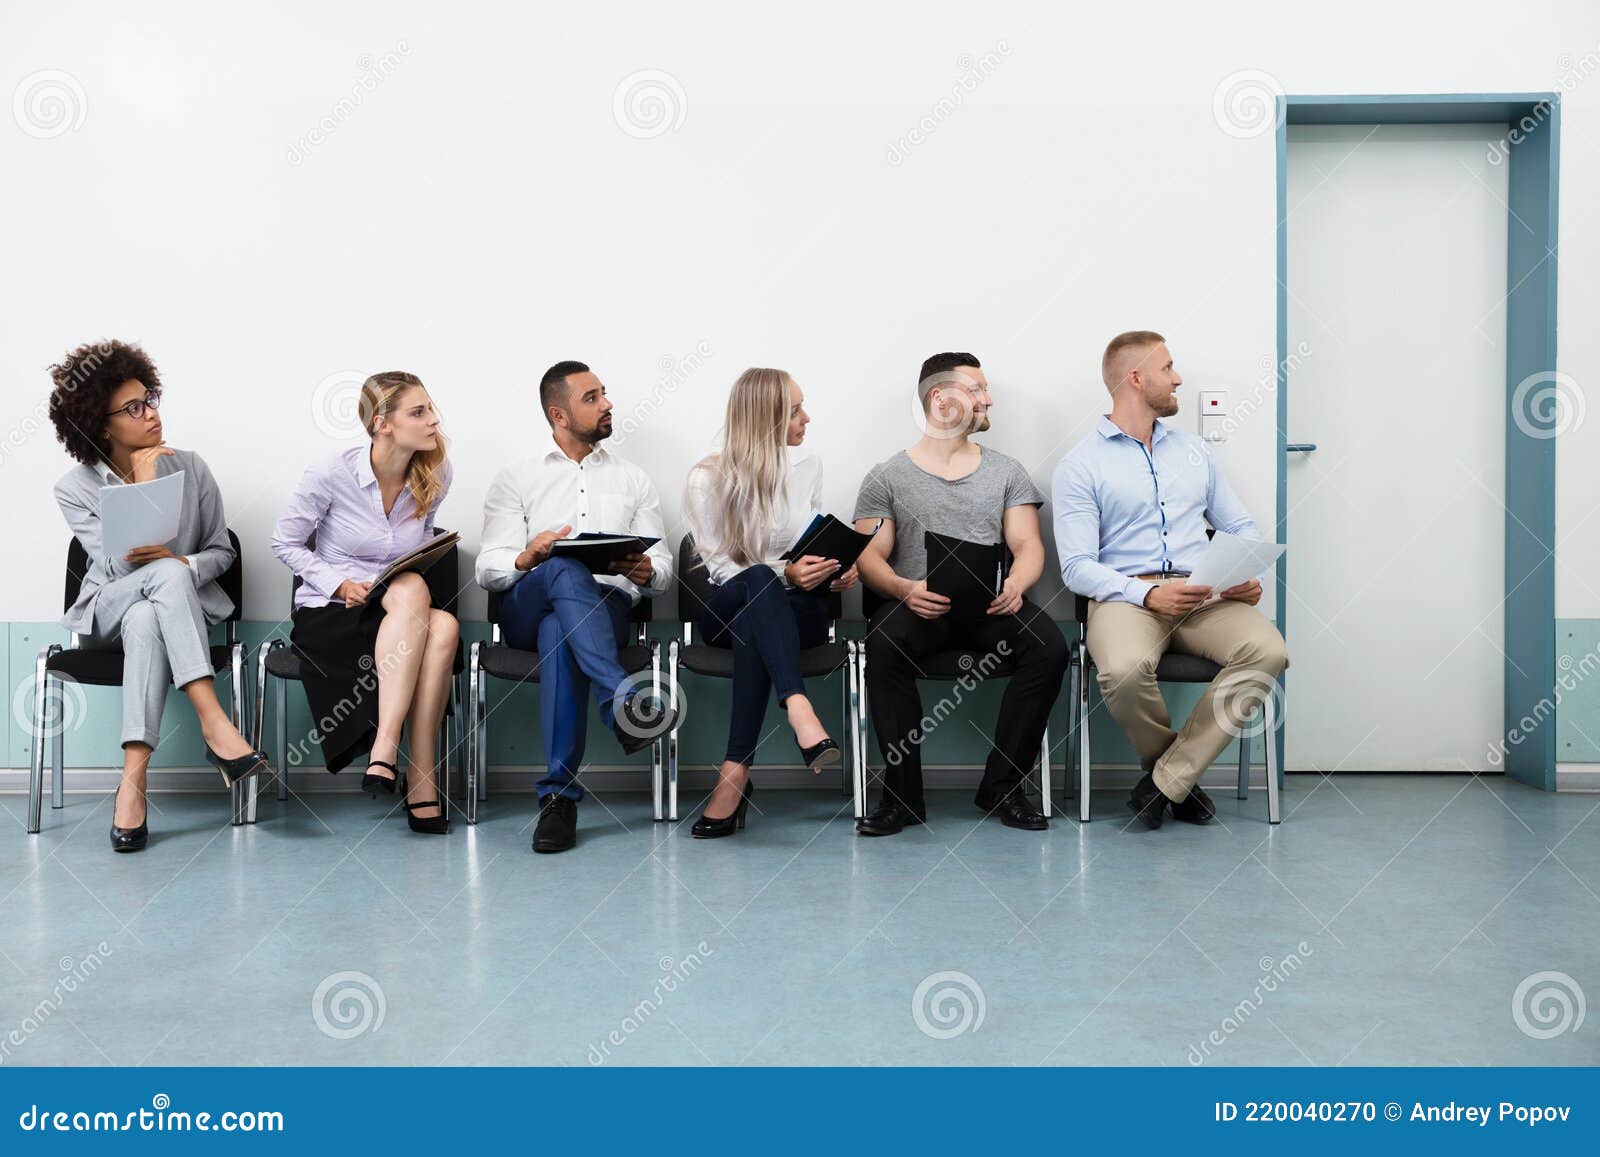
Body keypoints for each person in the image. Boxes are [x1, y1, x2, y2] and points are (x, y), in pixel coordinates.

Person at [1053, 330, 1289, 828]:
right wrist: (1148, 593)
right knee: (1121, 669)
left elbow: (1240, 527)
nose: (1178, 378)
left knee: (1267, 651)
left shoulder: (1195, 452)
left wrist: (1243, 573)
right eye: (1167, 369)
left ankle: (1165, 782)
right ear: (1135, 379)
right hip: (1127, 598)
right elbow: (1076, 566)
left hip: (1206, 593)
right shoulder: (1080, 465)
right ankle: (1177, 780)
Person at [47, 340, 270, 853]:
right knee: (158, 583)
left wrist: (182, 564)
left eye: (150, 398)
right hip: (108, 607)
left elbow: (220, 551)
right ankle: (216, 725)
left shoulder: (191, 466)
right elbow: (115, 565)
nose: (150, 413)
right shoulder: (74, 488)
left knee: (155, 606)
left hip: (164, 611)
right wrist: (144, 485)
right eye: (133, 408)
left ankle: (132, 787)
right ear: (101, 425)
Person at [853, 352, 1068, 836]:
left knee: (1049, 648)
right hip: (918, 609)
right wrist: (904, 589)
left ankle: (1003, 786)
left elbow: (1027, 544)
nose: (988, 399)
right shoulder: (887, 476)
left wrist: (1017, 583)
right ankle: (901, 798)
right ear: (941, 398)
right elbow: (869, 557)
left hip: (992, 606)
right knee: (884, 644)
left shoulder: (1007, 472)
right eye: (977, 390)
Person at [476, 360, 678, 854]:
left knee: (559, 634)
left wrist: (647, 573)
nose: (608, 404)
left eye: (604, 393)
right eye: (592, 398)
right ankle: (619, 698)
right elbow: (488, 568)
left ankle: (558, 800)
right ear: (558, 414)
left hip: (604, 608)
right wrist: (530, 554)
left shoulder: (634, 479)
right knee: (565, 571)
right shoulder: (517, 476)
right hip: (527, 601)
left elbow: (665, 569)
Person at [271, 371, 458, 835]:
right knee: (441, 624)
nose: (433, 420)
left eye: (430, 408)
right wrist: (336, 583)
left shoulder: (436, 473)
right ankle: (415, 775)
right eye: (419, 412)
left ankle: (392, 755)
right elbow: (285, 542)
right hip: (332, 611)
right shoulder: (331, 473)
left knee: (419, 593)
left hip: (394, 604)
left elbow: (423, 538)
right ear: (382, 423)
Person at [682, 368, 857, 838]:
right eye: (796, 410)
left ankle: (734, 775)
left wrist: (832, 569)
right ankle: (797, 704)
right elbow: (721, 569)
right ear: (766, 418)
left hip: (793, 615)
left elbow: (809, 542)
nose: (807, 418)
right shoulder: (708, 478)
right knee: (758, 579)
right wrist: (787, 573)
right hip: (726, 606)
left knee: (753, 632)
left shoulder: (808, 467)